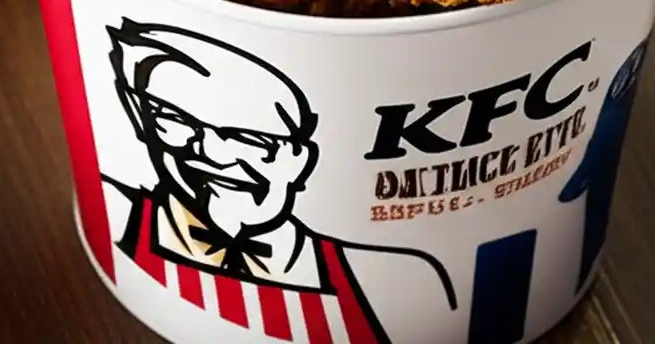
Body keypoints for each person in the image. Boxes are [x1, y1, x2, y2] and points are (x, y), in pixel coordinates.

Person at [100, 21, 457, 343]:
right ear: (140, 120)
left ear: (299, 160)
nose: (214, 154)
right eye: (176, 122)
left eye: (253, 139)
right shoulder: (111, 211)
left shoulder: (399, 279)